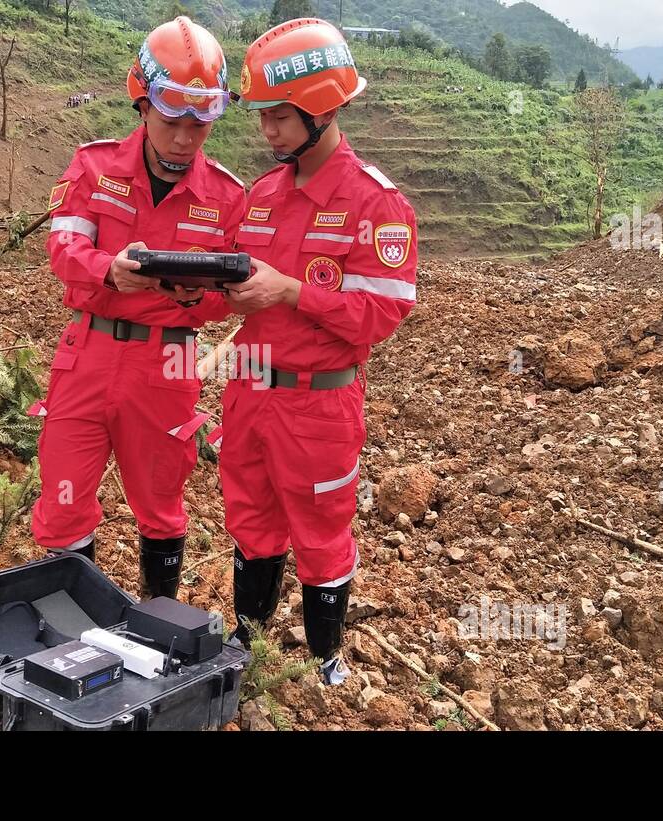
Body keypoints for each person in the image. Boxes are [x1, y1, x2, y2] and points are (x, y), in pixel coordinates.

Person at [219, 18, 419, 683]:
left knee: (321, 530)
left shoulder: (374, 203)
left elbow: (380, 313)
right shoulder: (263, 194)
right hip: (250, 393)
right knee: (251, 521)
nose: (266, 131)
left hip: (319, 402)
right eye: (262, 117)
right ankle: (248, 643)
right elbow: (243, 285)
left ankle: (326, 656)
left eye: (279, 116)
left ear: (323, 108)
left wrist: (292, 293)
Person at [30, 17, 245, 601]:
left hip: (168, 361)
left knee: (159, 500)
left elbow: (231, 296)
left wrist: (196, 297)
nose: (185, 138)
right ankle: (69, 627)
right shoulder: (93, 168)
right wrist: (109, 270)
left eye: (199, 126)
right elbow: (63, 248)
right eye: (173, 122)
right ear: (142, 103)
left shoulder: (227, 197)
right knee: (65, 492)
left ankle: (159, 619)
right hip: (90, 349)